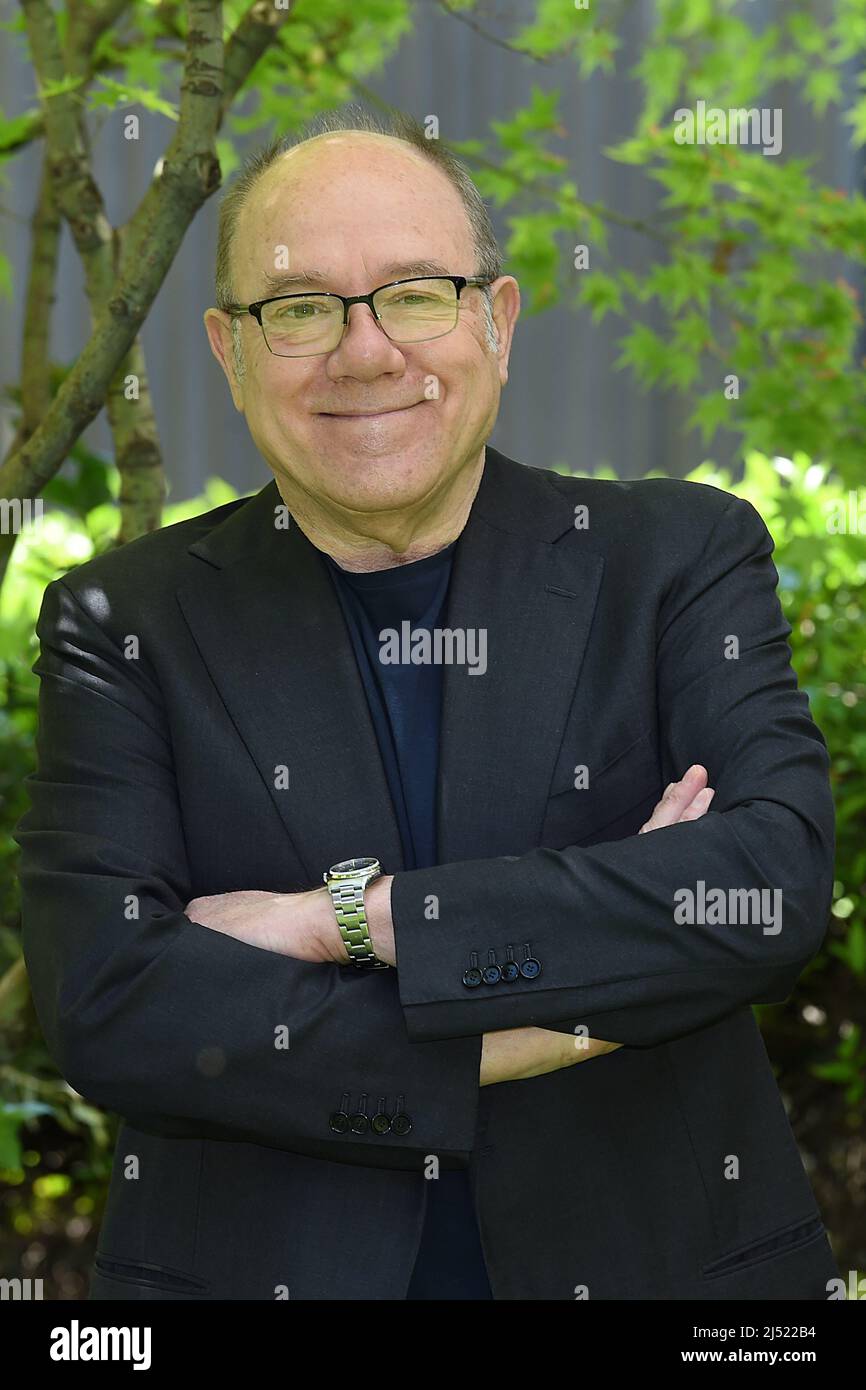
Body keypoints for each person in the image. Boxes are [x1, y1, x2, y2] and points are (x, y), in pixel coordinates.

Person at [15, 106, 840, 1301]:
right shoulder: (121, 620)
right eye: (298, 309)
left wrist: (335, 920)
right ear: (228, 350)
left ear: (494, 324)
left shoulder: (673, 557)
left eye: (414, 291)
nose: (363, 353)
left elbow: (764, 883)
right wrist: (560, 1021)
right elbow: (109, 1004)